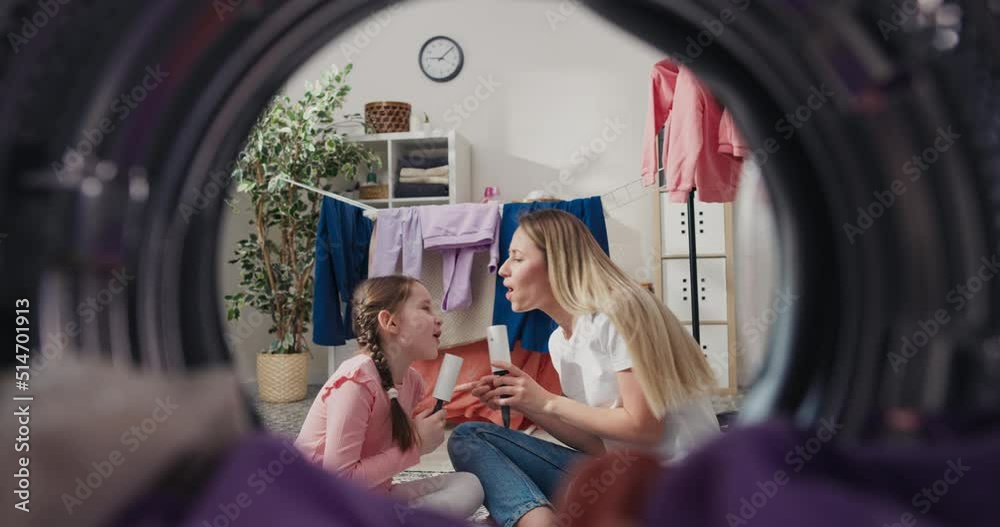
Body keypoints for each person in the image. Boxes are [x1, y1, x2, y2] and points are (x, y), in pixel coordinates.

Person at [448, 209, 720, 527]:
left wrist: (547, 401)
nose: (504, 269)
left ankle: (531, 517)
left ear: (557, 263)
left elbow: (645, 429)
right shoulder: (560, 342)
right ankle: (536, 519)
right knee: (470, 436)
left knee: (501, 478)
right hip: (621, 476)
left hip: (671, 486)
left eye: (517, 258)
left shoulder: (618, 314)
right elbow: (599, 445)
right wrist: (527, 403)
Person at [295, 275, 484, 519]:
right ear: (390, 322)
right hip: (320, 506)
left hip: (373, 498)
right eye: (425, 308)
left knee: (469, 484)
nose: (438, 319)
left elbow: (384, 450)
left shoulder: (412, 382)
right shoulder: (356, 381)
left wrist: (418, 432)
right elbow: (339, 483)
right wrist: (416, 445)